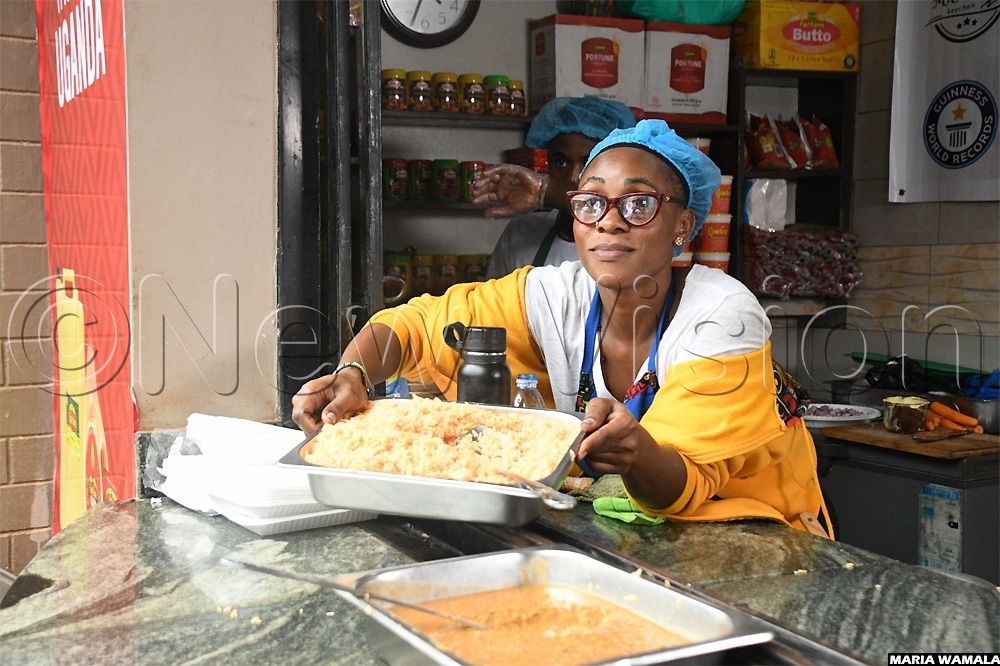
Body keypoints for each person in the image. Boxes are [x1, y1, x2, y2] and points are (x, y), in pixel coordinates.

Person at [293, 119, 829, 535]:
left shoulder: (722, 318)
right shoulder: (557, 294)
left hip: (760, 531)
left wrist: (638, 453)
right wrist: (355, 369)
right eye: (591, 201)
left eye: (639, 203)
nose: (609, 220)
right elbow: (412, 325)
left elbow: (685, 485)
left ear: (683, 227)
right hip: (648, 538)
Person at [471, 96, 636, 278]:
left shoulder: (631, 242)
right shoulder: (521, 233)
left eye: (589, 163)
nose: (573, 177)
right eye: (561, 162)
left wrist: (545, 190)